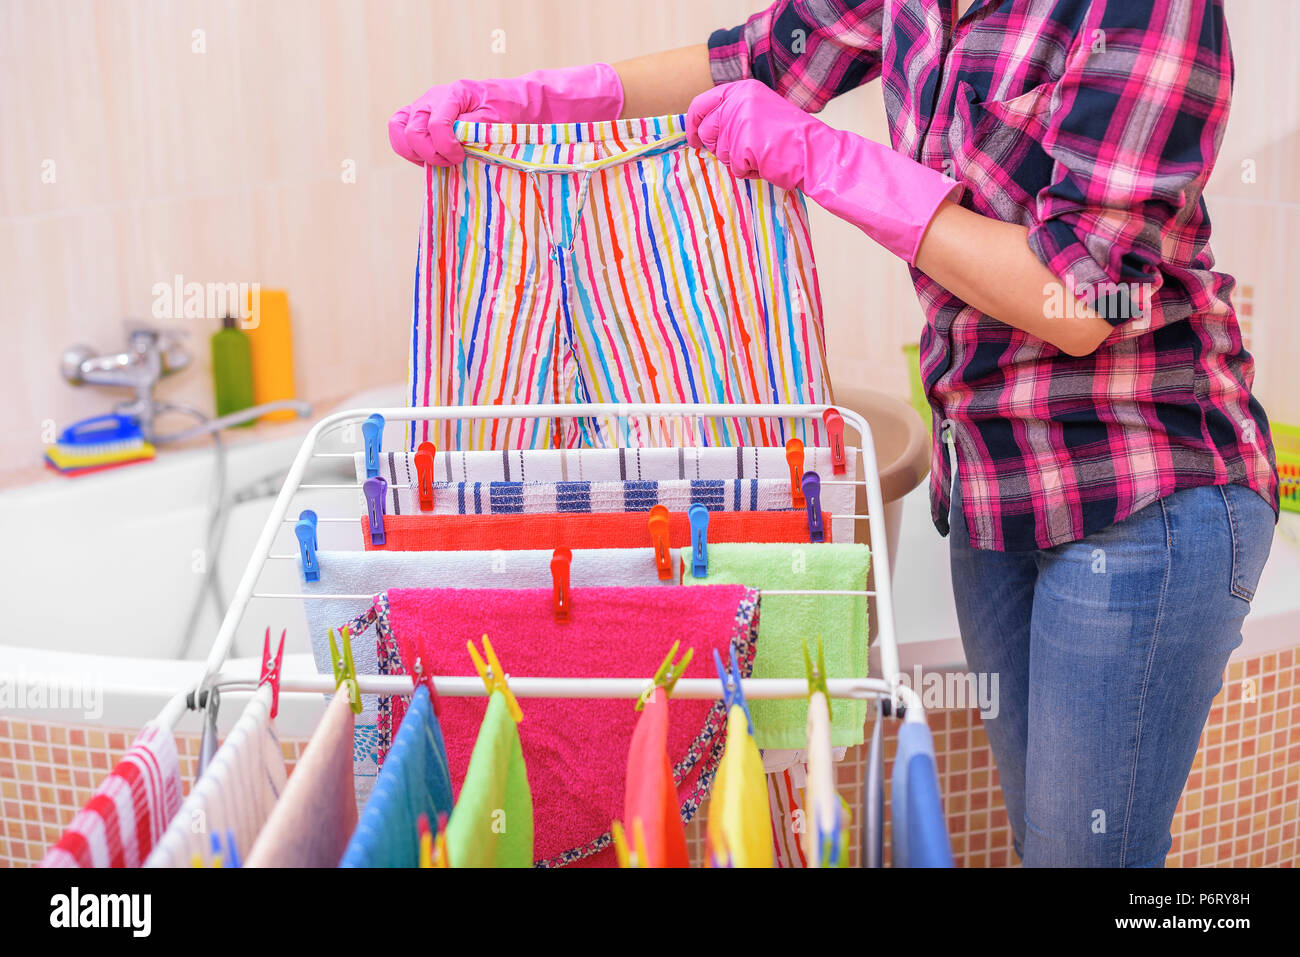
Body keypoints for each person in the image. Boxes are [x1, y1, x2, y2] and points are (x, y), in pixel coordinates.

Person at [388, 0, 1279, 867]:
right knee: (1043, 843)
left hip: (1146, 481)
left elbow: (1080, 299)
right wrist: (534, 102)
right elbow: (753, 56)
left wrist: (830, 162)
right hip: (994, 483)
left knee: (1084, 856)